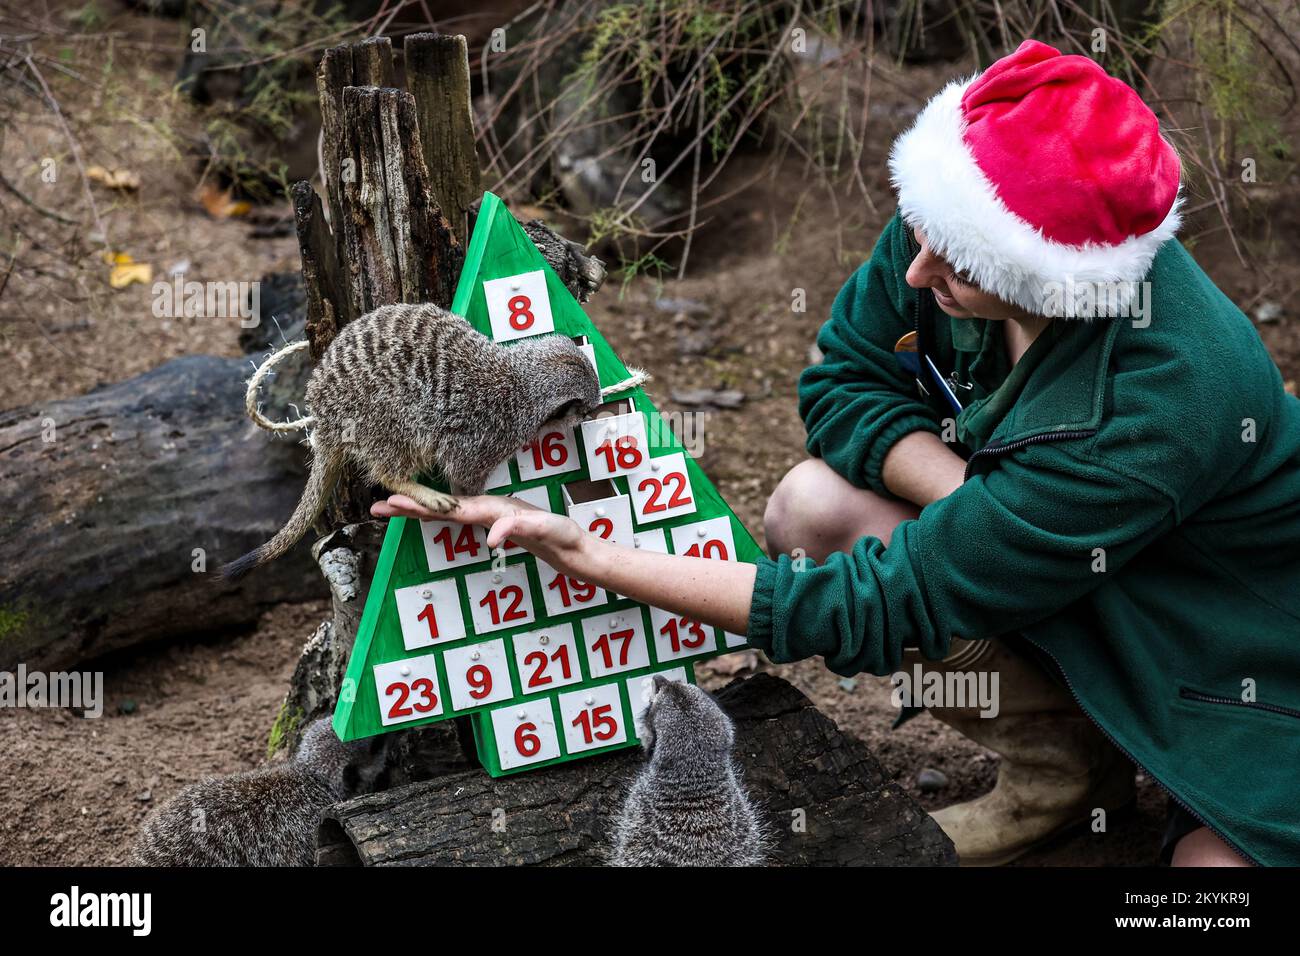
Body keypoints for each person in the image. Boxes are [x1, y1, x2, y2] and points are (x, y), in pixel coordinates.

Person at [374, 40, 1300, 867]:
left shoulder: (1161, 397)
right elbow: (842, 379)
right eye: (927, 236)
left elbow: (879, 603)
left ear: (1050, 278)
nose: (916, 274)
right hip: (1069, 565)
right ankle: (1065, 776)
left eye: (957, 269)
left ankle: (1178, 775)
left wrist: (588, 552)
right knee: (815, 508)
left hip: (1231, 656)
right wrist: (973, 498)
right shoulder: (962, 225)